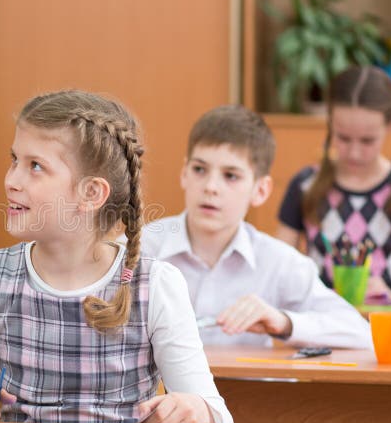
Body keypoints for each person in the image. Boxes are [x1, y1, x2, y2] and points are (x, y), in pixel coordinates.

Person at [0, 90, 233, 423]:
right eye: (14, 160)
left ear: (91, 193)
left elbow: (218, 415)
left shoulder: (155, 285)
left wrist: (194, 409)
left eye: (35, 166)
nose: (11, 180)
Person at [140, 105, 372, 348]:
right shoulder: (140, 248)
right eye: (199, 169)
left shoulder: (279, 262)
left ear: (260, 190)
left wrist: (284, 322)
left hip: (245, 387)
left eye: (231, 176)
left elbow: (361, 333)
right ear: (184, 174)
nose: (211, 186)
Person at [277, 66, 391, 299]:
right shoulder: (305, 185)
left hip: (382, 328)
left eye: (367, 141)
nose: (355, 153)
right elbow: (276, 270)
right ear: (330, 124)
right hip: (320, 327)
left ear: (389, 127)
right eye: (343, 138)